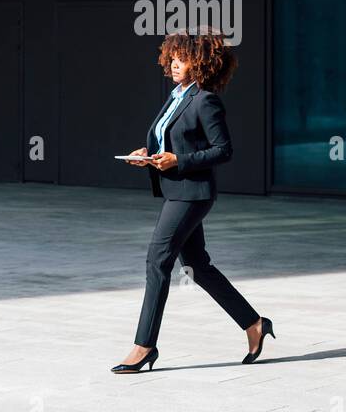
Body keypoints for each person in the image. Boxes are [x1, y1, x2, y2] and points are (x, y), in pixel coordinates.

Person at [111, 29, 275, 374]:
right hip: (177, 191)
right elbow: (171, 142)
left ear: (200, 63)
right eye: (171, 56)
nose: (173, 63)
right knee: (198, 267)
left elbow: (223, 150)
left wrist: (179, 162)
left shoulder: (205, 100)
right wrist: (150, 155)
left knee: (157, 260)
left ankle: (144, 346)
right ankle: (254, 323)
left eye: (181, 58)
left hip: (192, 194)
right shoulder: (176, 96)